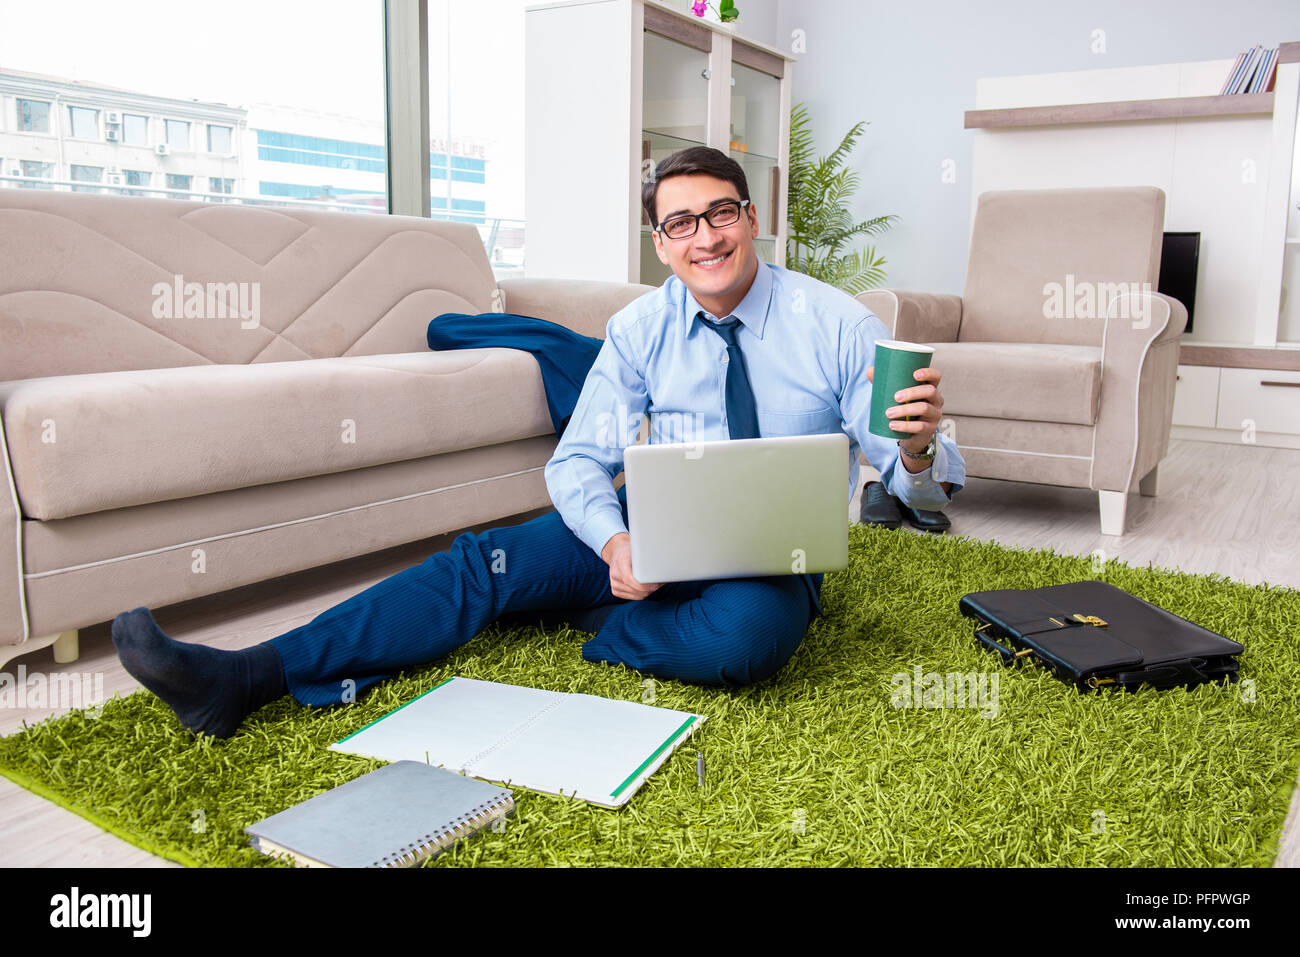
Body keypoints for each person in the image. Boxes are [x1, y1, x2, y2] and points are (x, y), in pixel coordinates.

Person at [111, 146, 965, 739]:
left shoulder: (838, 324)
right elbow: (578, 461)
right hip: (652, 525)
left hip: (772, 552)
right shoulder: (637, 328)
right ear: (660, 245)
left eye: (720, 214)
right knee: (478, 564)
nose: (704, 237)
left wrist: (920, 453)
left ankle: (593, 620)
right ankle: (246, 678)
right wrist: (616, 539)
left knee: (744, 644)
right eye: (680, 225)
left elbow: (917, 484)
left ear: (750, 217)